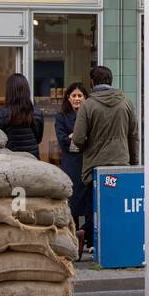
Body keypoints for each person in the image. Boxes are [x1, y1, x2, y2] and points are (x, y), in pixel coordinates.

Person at [71, 65, 140, 249]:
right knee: (117, 205)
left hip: (95, 166)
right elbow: (133, 135)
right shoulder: (126, 102)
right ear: (111, 81)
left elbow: (77, 138)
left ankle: (92, 241)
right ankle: (117, 243)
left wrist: (88, 147)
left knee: (96, 204)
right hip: (121, 164)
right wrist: (133, 163)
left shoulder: (88, 105)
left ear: (93, 82)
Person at [56, 82, 92, 252]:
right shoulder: (61, 116)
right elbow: (62, 140)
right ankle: (74, 240)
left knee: (90, 202)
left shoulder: (91, 114)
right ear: (68, 98)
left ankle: (91, 239)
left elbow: (92, 139)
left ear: (85, 98)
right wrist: (79, 138)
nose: (77, 99)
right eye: (74, 96)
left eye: (80, 96)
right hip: (70, 163)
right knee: (73, 202)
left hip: (87, 161)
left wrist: (74, 137)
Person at [0, 73, 43, 159]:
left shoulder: (2, 113)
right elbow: (38, 139)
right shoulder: (37, 112)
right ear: (27, 91)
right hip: (32, 159)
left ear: (9, 91)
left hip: (10, 159)